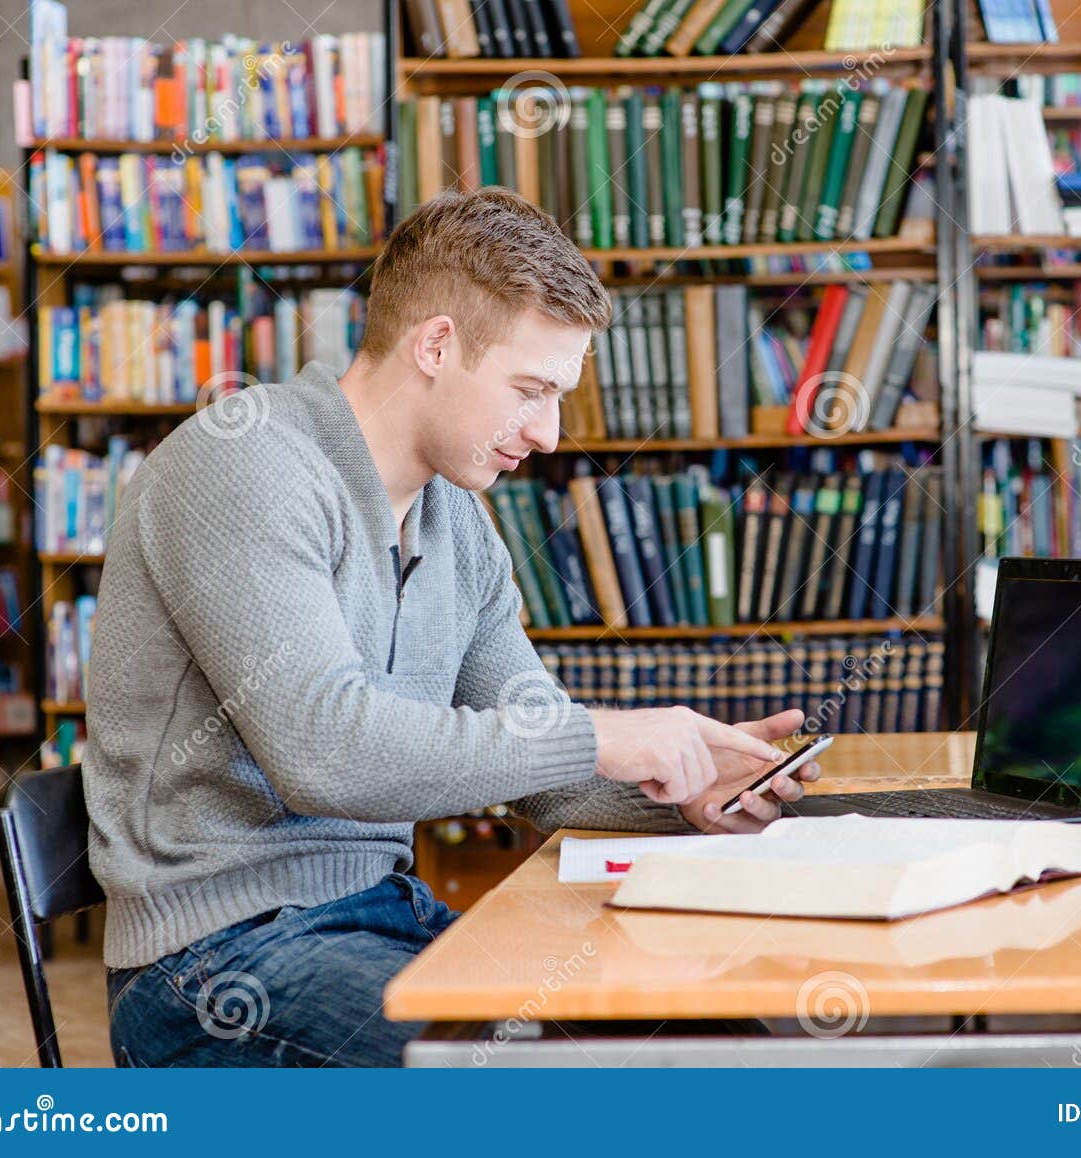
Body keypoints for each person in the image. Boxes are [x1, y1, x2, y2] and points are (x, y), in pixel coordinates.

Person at [84, 188, 820, 1067]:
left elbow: (552, 785)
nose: (547, 435)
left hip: (379, 916)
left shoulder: (455, 522)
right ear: (436, 344)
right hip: (213, 963)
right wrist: (601, 737)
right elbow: (327, 753)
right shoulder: (246, 463)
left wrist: (690, 796)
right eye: (531, 391)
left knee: (714, 1035)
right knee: (560, 1084)